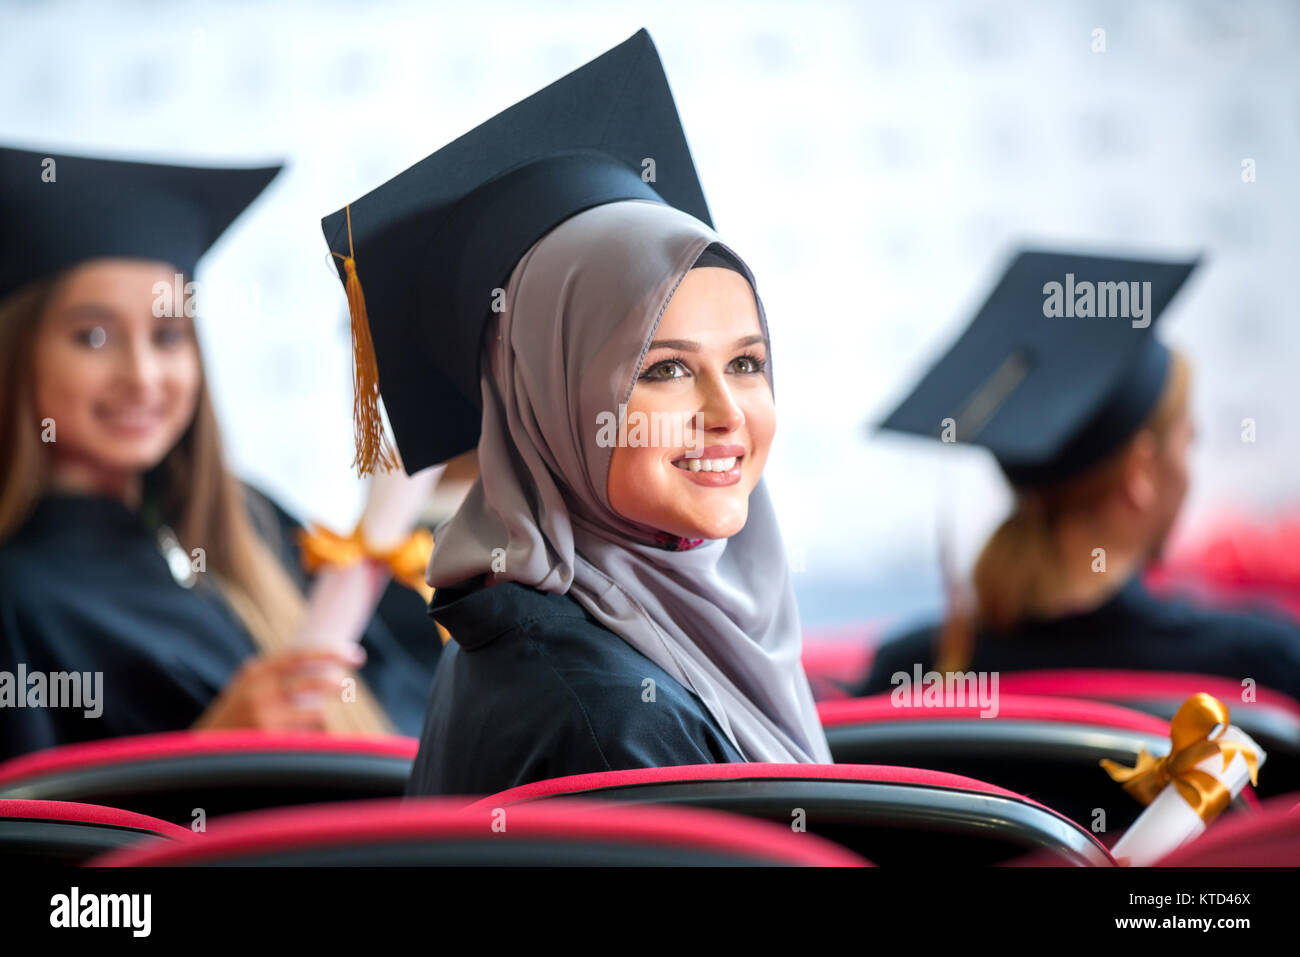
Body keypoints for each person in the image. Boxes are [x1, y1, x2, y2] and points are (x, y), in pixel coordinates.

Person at [319, 29, 832, 797]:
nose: (727, 411)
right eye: (663, 369)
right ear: (552, 403)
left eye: (747, 363)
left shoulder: (542, 617)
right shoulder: (615, 724)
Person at [0, 146, 440, 763]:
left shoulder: (249, 518)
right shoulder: (18, 599)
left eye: (168, 334)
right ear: (18, 353)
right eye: (93, 336)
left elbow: (408, 694)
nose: (144, 375)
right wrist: (208, 756)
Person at [853, 250, 1300, 702]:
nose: (1189, 474)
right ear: (1140, 470)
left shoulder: (905, 674)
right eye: (1187, 444)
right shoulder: (1260, 667)